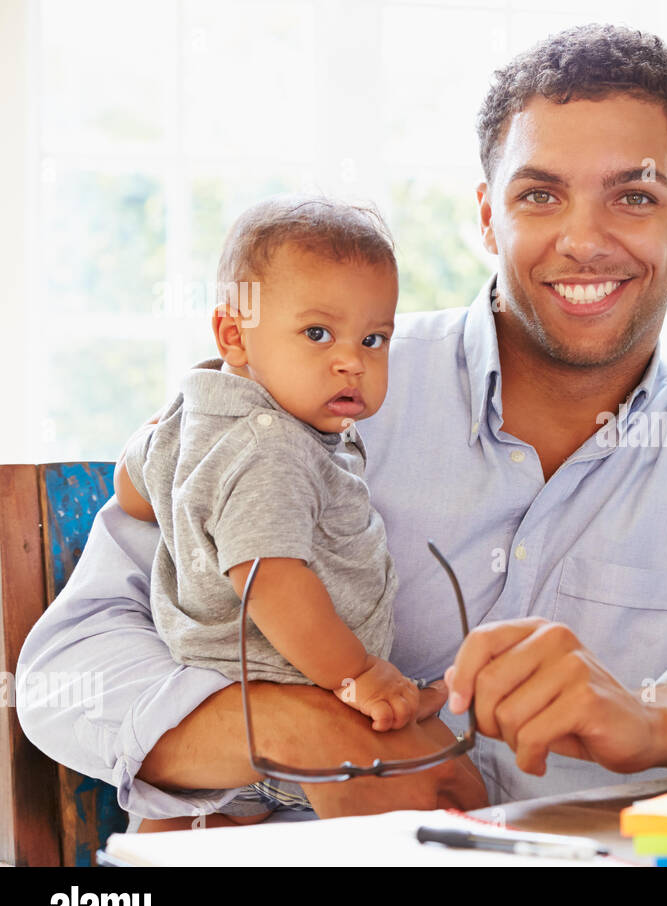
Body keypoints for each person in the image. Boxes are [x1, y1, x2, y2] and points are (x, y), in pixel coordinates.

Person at [17, 23, 667, 819]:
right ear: (486, 213)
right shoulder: (310, 393)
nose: (582, 240)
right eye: (540, 196)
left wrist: (652, 716)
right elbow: (66, 674)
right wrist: (313, 732)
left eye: (633, 197)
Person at [111, 197, 482, 828]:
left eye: (374, 339)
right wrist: (357, 674)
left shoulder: (190, 413)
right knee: (460, 793)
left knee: (179, 834)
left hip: (212, 711)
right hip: (295, 698)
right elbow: (270, 579)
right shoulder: (271, 447)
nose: (352, 361)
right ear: (234, 335)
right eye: (317, 334)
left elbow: (130, 488)